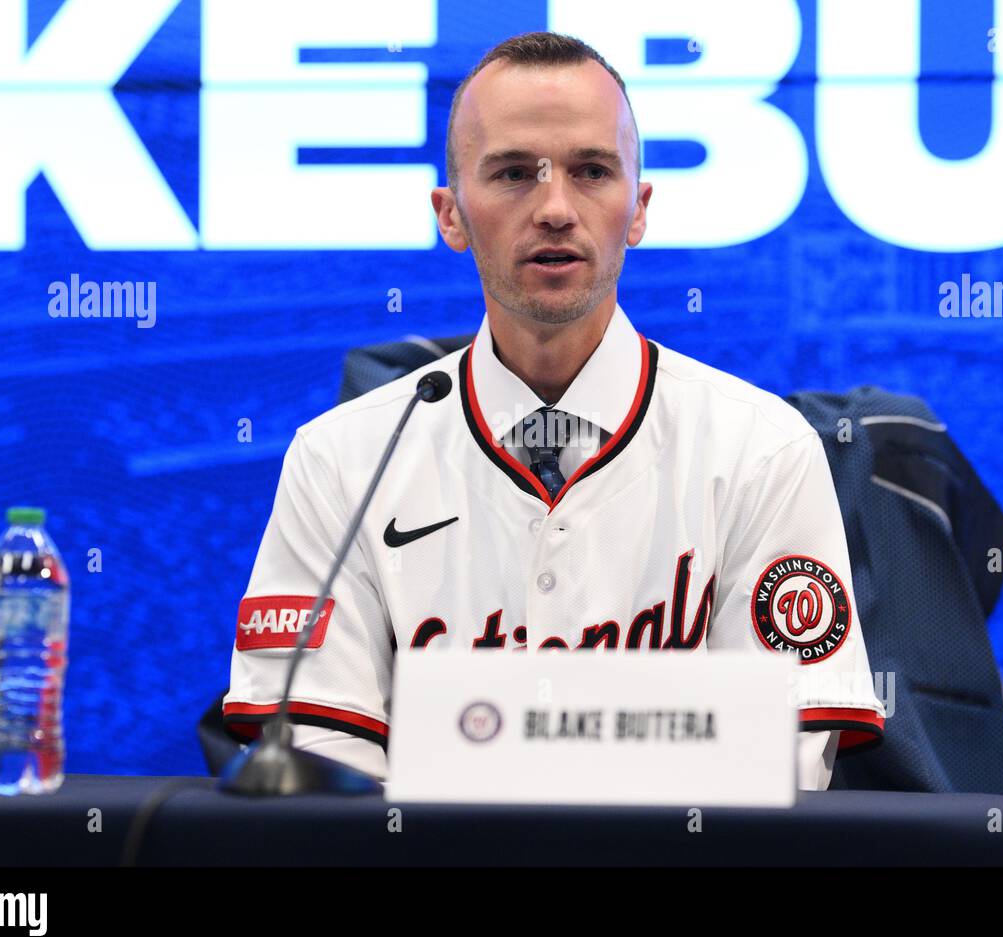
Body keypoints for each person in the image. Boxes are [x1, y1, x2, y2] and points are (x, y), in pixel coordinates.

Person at [223, 31, 884, 790]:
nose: (556, 208)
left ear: (637, 210)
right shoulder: (340, 458)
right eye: (512, 174)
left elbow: (778, 770)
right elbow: (317, 767)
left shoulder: (762, 449)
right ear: (451, 215)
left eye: (592, 171)